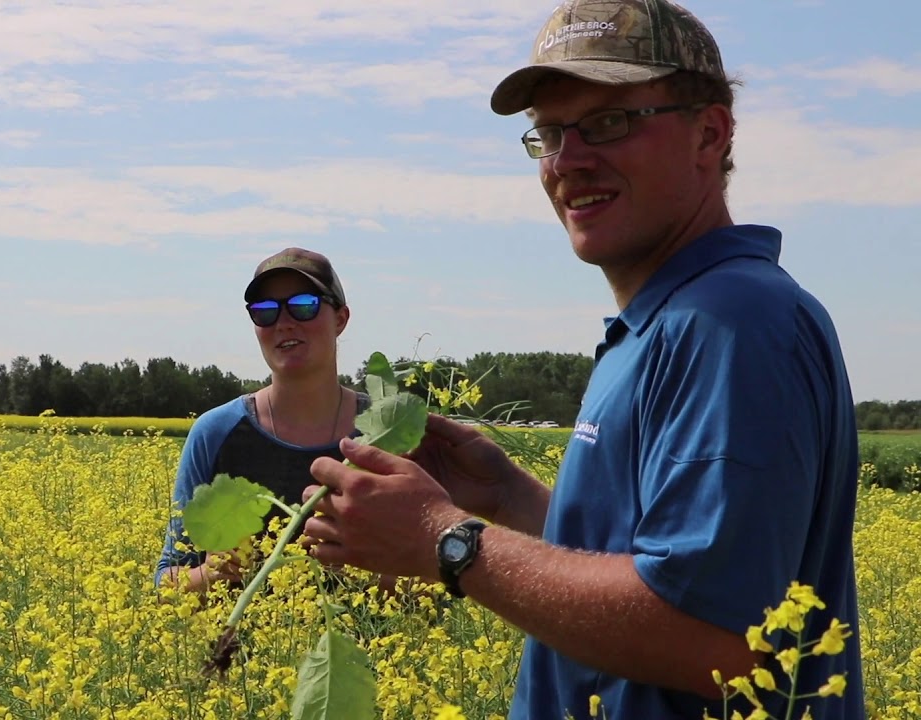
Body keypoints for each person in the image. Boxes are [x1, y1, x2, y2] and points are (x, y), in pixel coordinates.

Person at [299, 1, 866, 718]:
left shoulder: (731, 325)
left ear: (709, 132)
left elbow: (722, 642)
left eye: (609, 123)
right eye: (550, 133)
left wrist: (443, 540)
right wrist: (511, 500)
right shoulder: (667, 320)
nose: (569, 160)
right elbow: (663, 570)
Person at [153, 247, 370, 593]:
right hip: (238, 649)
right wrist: (211, 573)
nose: (283, 322)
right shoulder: (215, 433)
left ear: (341, 318)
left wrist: (363, 569)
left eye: (304, 305)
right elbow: (165, 582)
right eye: (264, 311)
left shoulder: (386, 434)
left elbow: (438, 583)